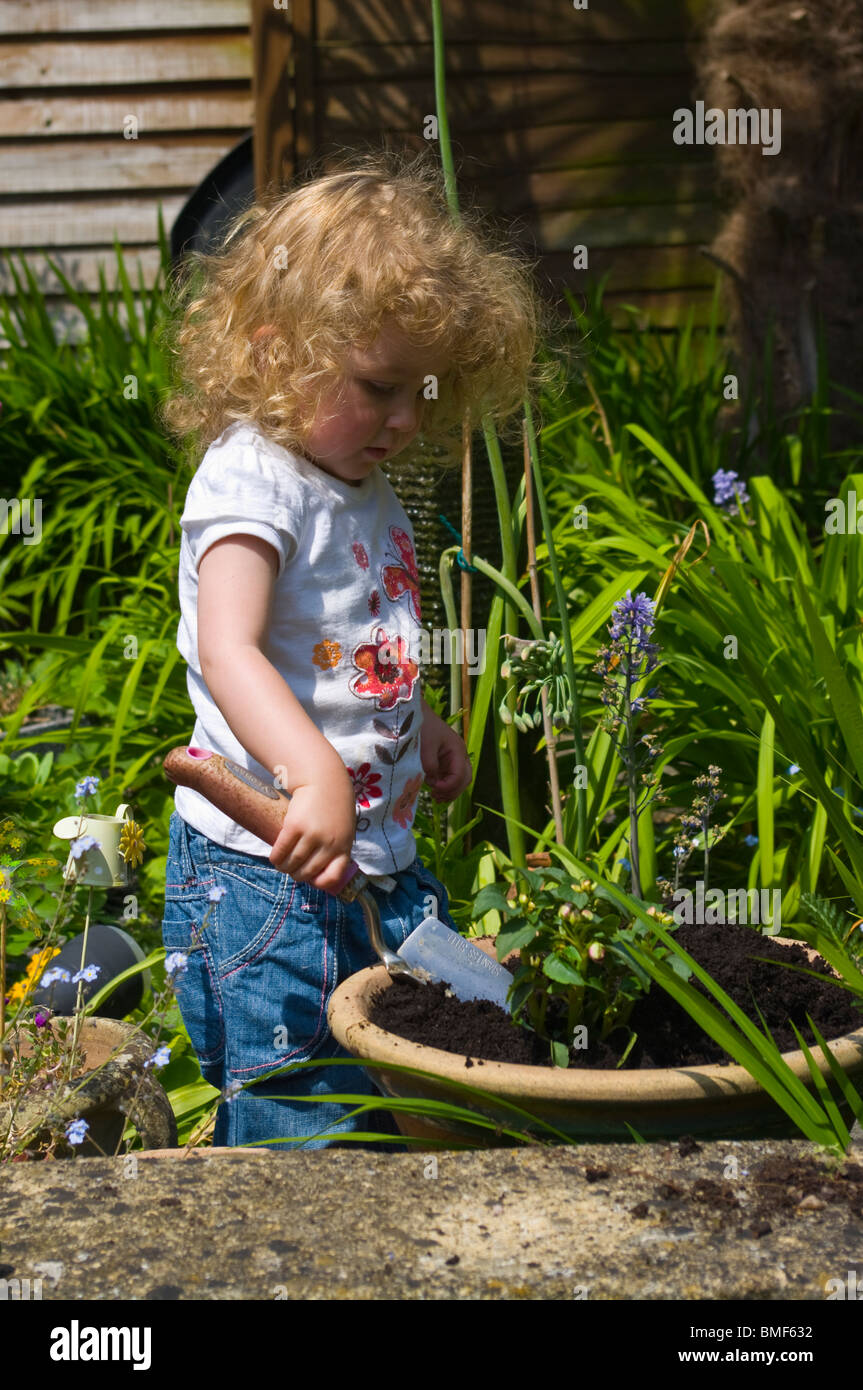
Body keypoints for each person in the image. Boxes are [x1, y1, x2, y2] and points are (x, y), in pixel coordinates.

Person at [157, 147, 558, 1150]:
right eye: (378, 386)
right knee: (301, 1114)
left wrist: (415, 724)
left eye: (422, 393)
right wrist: (311, 775)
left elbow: (351, 641)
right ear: (269, 350)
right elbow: (232, 647)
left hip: (378, 863)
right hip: (266, 875)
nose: (405, 419)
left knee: (401, 1084)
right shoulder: (250, 483)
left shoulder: (361, 485)